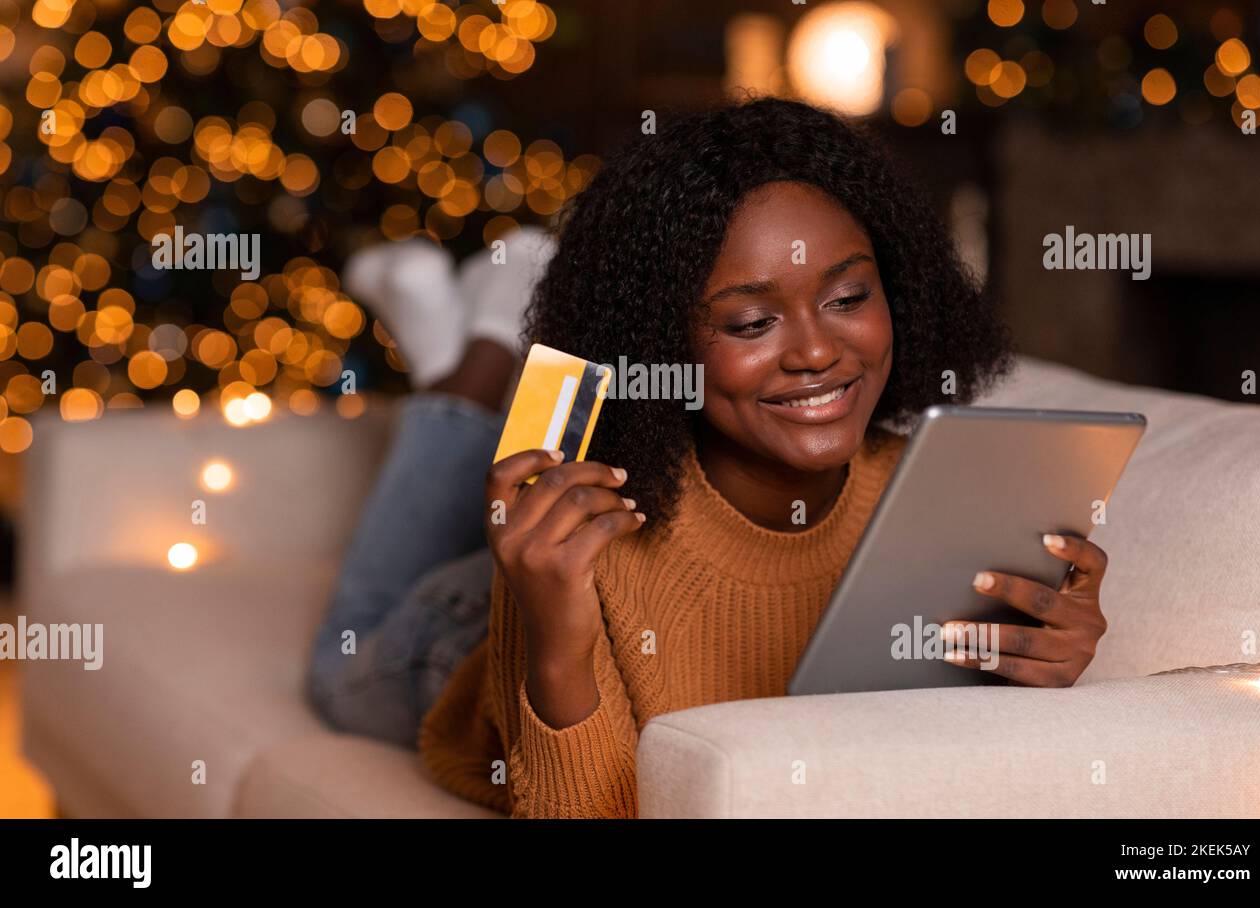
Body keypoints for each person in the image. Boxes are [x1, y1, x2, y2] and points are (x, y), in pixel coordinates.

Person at [310, 97, 1113, 819]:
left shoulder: (936, 491)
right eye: (751, 323)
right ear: (661, 344)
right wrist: (554, 637)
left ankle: (472, 338)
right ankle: (474, 365)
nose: (816, 353)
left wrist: (1043, 656)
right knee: (333, 671)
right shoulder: (593, 551)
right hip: (467, 634)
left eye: (847, 298)